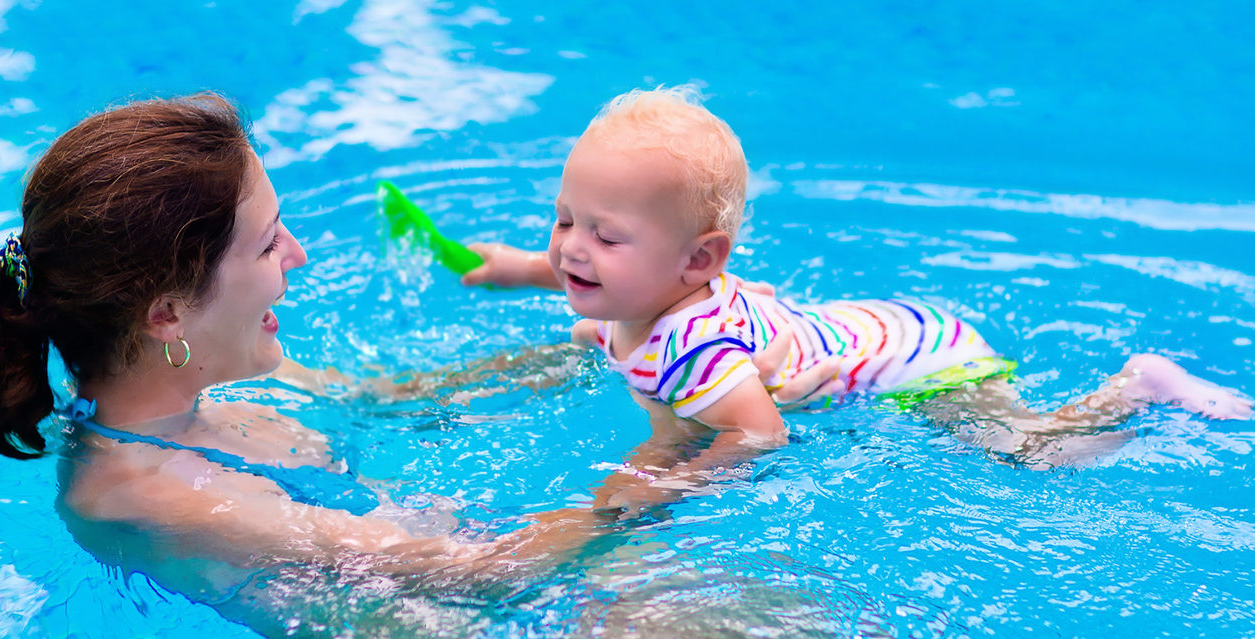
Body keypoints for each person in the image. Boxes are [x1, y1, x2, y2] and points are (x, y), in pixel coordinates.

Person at [0, 93, 911, 639]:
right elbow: (478, 576)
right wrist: (673, 448)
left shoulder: (232, 375)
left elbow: (402, 396)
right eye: (266, 243)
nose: (297, 252)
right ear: (167, 313)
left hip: (525, 592)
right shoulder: (139, 493)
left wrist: (642, 349)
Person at [461, 85, 1252, 467]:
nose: (569, 250)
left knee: (1026, 454)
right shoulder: (632, 288)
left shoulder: (696, 355)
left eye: (604, 236)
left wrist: (671, 479)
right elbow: (566, 272)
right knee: (580, 337)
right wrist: (513, 268)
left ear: (697, 261)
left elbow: (760, 432)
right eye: (565, 219)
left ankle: (1137, 387)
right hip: (867, 321)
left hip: (927, 364)